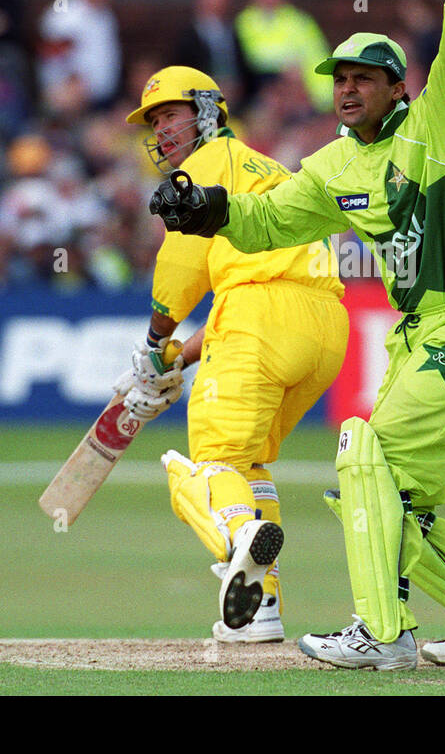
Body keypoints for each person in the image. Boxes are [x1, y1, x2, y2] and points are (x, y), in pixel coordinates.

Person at [149, 0, 445, 670]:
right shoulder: (332, 166)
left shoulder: (441, 128)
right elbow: (270, 222)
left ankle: (383, 634)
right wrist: (206, 208)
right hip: (420, 336)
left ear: (399, 86)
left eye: (365, 76)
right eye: (340, 78)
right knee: (395, 502)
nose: (348, 88)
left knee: (363, 452)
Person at [117, 66, 348, 643]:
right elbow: (246, 290)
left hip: (260, 320)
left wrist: (152, 343)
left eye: (169, 115)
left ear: (206, 111)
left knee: (210, 464)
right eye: (153, 122)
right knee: (248, 467)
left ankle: (238, 538)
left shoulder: (205, 166)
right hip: (323, 327)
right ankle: (261, 609)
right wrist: (178, 358)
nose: (161, 131)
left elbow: (183, 265)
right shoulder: (270, 166)